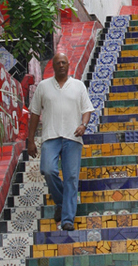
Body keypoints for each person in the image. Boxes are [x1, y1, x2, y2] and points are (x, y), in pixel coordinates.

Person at [28, 53, 94, 232]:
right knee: (48, 170)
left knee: (71, 177)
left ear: (69, 64)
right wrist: (30, 140)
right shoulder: (43, 86)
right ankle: (62, 201)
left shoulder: (78, 86)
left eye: (64, 62)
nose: (61, 65)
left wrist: (83, 124)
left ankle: (67, 219)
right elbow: (34, 113)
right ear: (53, 66)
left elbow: (87, 109)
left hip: (73, 137)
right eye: (58, 63)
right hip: (50, 136)